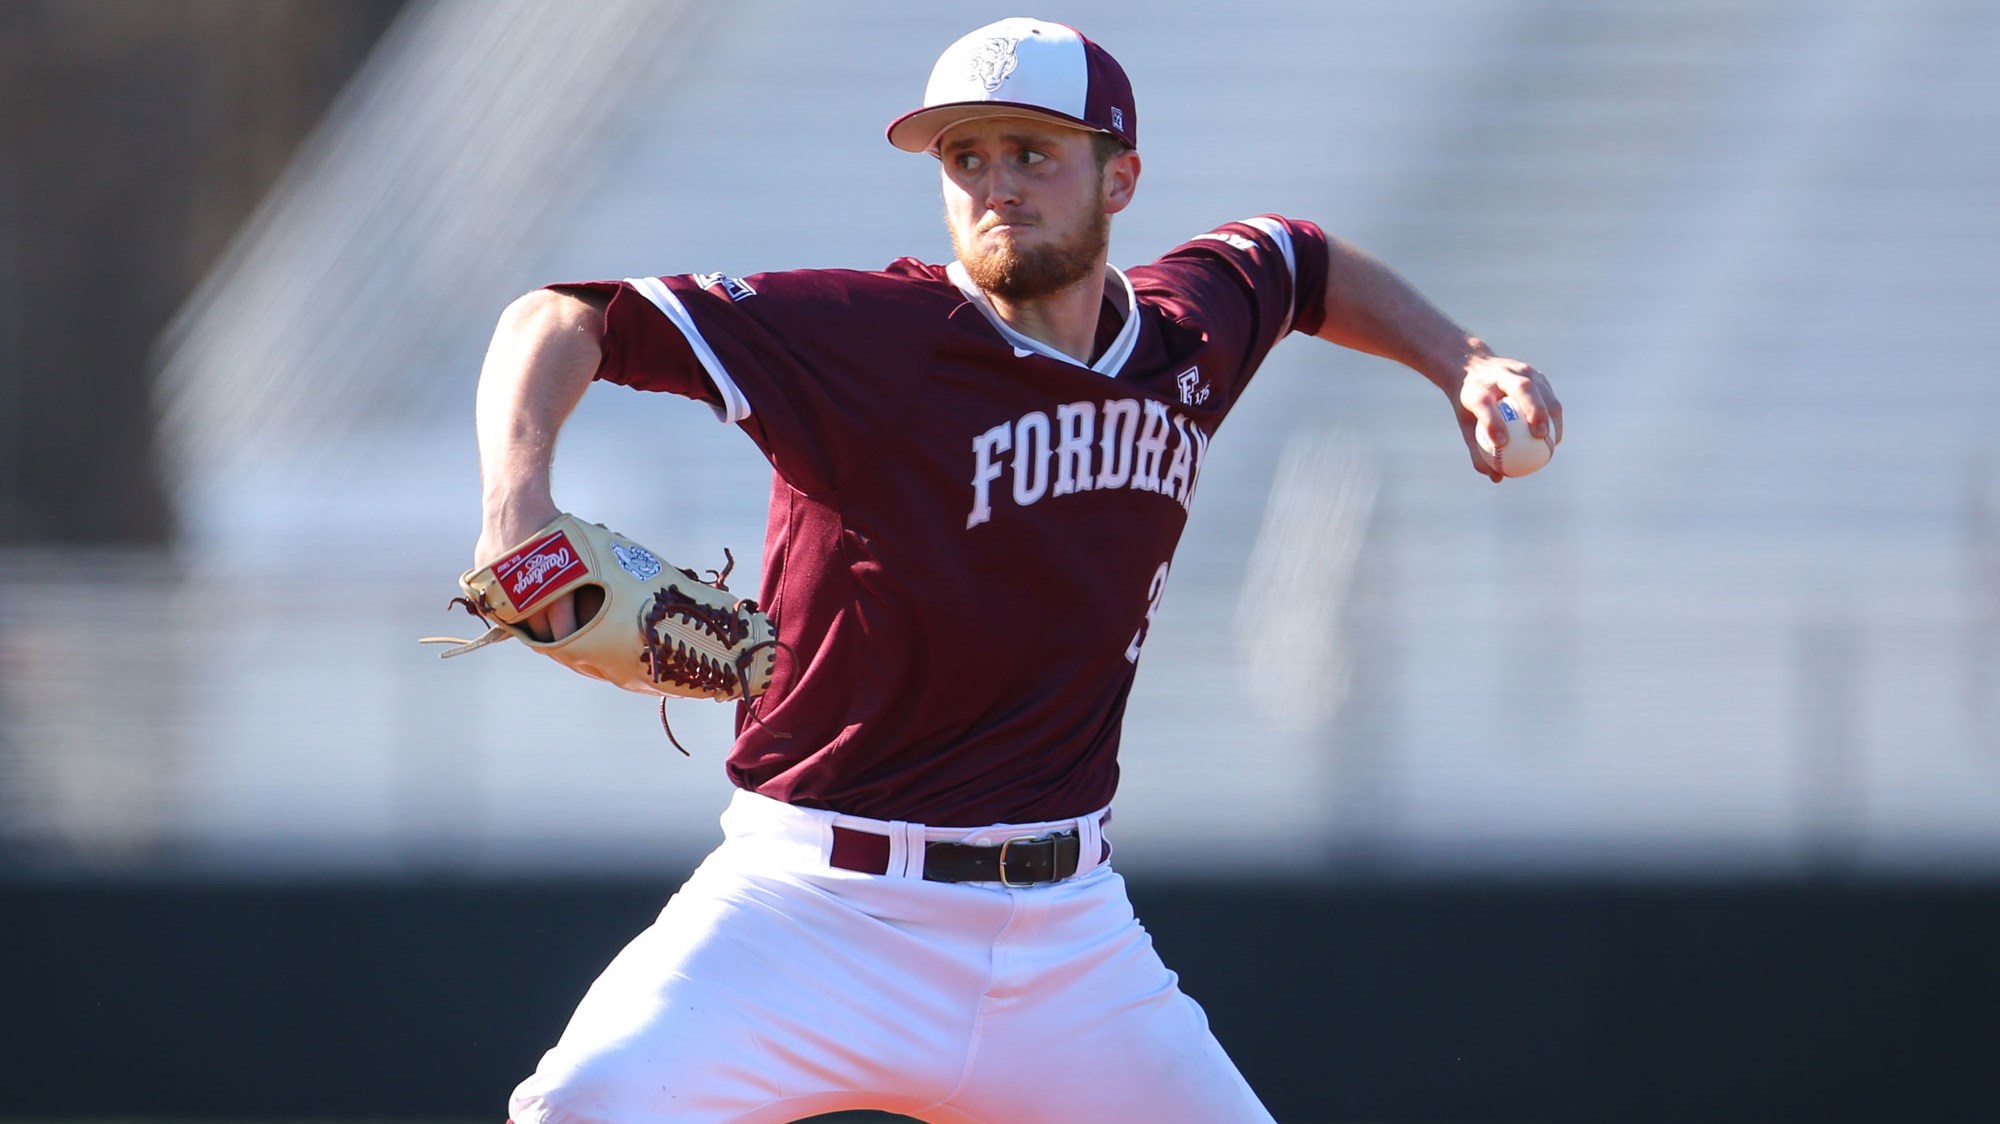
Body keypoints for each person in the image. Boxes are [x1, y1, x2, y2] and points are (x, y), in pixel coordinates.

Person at [474, 17, 1560, 1124]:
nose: (995, 184)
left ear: (1118, 177)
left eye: (1031, 153)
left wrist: (1461, 362)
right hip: (812, 912)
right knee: (581, 1107)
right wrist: (516, 509)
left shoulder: (1184, 336)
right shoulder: (871, 336)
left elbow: (1299, 261)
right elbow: (561, 317)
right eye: (965, 158)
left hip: (1068, 945)